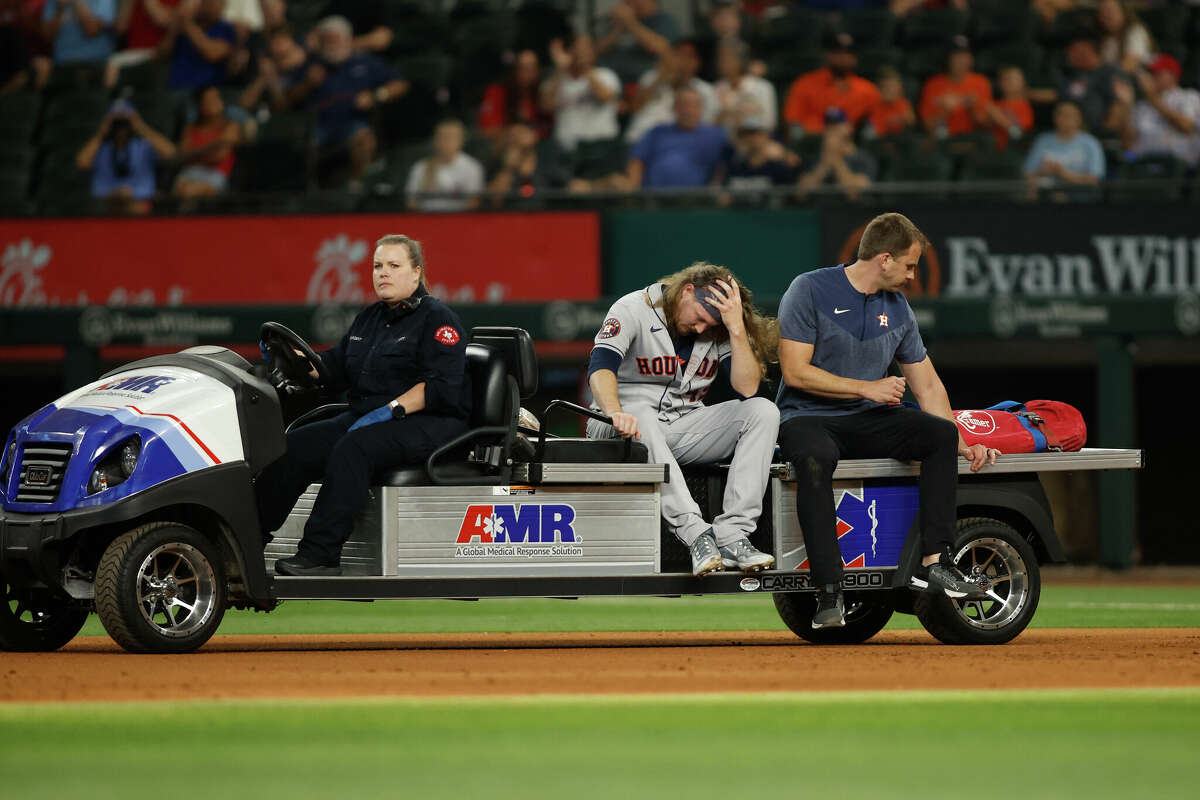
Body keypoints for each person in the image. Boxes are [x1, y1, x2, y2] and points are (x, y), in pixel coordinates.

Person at [775, 212, 996, 629]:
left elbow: (927, 385)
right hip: (808, 417)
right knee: (814, 458)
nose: (913, 276)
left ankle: (935, 562)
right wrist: (866, 388)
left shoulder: (899, 308)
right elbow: (795, 372)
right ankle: (828, 590)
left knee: (939, 435)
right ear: (884, 259)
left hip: (868, 418)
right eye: (910, 266)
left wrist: (961, 442)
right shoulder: (809, 288)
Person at [257, 234, 473, 576]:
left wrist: (389, 410)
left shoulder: (438, 320)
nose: (383, 273)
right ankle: (246, 542)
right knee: (295, 446)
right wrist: (295, 359)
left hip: (428, 420)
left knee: (354, 447)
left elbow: (440, 387)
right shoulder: (370, 317)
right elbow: (335, 367)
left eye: (394, 265)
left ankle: (321, 554)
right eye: (377, 266)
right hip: (369, 415)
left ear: (416, 273)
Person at [586, 262, 779, 576]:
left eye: (710, 323)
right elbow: (600, 368)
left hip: (680, 426)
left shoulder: (717, 330)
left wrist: (735, 328)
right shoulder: (633, 308)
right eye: (700, 317)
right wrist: (614, 411)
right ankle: (696, 534)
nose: (702, 328)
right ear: (687, 291)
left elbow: (747, 387)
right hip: (619, 426)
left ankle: (733, 535)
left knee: (763, 412)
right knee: (641, 416)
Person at [297, 15, 408, 187]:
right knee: (298, 143)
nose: (332, 45)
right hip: (317, 123)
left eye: (337, 39)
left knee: (364, 139)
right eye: (328, 40)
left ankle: (358, 187)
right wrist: (307, 85)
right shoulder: (311, 65)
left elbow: (400, 84)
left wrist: (376, 95)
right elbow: (284, 102)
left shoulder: (365, 62)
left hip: (352, 121)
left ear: (348, 40)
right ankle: (306, 190)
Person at [75, 97, 176, 214]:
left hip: (139, 203)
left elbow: (171, 153)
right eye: (117, 124)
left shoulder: (143, 145)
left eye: (124, 123)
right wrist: (101, 133)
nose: (121, 129)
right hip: (107, 205)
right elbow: (81, 162)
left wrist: (141, 128)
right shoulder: (100, 147)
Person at [782, 32, 880, 141]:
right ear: (828, 55)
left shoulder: (867, 89)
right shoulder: (805, 84)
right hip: (812, 143)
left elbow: (875, 126)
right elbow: (792, 124)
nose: (843, 57)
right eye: (837, 52)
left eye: (848, 53)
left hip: (851, 143)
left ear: (855, 58)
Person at [626, 86, 728, 189]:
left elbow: (726, 162)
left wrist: (718, 186)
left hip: (694, 196)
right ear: (675, 108)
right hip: (653, 194)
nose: (689, 110)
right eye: (684, 105)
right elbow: (637, 159)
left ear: (701, 108)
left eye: (694, 105)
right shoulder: (658, 132)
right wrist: (633, 184)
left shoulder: (715, 135)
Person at [1114, 54, 1200, 170]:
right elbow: (1127, 145)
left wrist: (1152, 97)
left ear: (1173, 75)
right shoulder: (1142, 105)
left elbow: (1186, 126)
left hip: (1180, 170)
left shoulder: (1188, 96)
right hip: (1143, 168)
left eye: (1156, 73)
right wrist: (1126, 106)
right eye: (1150, 73)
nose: (1151, 77)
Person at [624, 38, 716, 144]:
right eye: (678, 55)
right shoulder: (652, 77)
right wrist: (660, 78)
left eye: (688, 56)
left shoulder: (705, 90)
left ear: (697, 62)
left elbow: (707, 126)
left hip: (678, 145)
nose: (682, 61)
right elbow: (635, 108)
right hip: (639, 140)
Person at [542, 33, 622, 152]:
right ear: (569, 52)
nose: (580, 54)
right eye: (577, 49)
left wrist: (585, 67)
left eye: (586, 49)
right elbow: (546, 107)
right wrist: (560, 70)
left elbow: (605, 96)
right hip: (566, 148)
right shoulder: (556, 80)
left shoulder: (605, 75)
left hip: (600, 147)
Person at [1023, 100, 1105, 201]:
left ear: (1079, 118)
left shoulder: (1090, 143)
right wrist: (1042, 172)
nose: (1065, 119)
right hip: (1047, 195)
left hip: (1081, 197)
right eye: (1061, 114)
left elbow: (1094, 179)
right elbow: (1028, 173)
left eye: (1070, 115)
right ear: (1055, 118)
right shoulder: (1043, 141)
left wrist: (1063, 173)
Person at [918, 36, 993, 139]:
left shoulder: (981, 82)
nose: (961, 61)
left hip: (971, 139)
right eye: (956, 56)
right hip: (943, 139)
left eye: (965, 56)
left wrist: (972, 109)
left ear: (971, 59)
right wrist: (945, 112)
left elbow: (986, 125)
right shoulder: (933, 84)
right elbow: (927, 126)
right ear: (947, 59)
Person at [405, 118, 485, 213]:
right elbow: (411, 202)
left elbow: (474, 204)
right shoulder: (421, 167)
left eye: (451, 137)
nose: (446, 141)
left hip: (459, 219)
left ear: (461, 140)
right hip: (426, 218)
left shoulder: (472, 168)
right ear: (435, 140)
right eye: (442, 137)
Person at [796, 107, 876, 201]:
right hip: (818, 208)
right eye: (829, 125)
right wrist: (824, 164)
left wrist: (836, 159)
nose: (832, 129)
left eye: (837, 125)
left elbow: (853, 194)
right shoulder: (816, 157)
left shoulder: (864, 158)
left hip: (851, 209)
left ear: (849, 128)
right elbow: (801, 194)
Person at [173, 85, 239, 198]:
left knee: (188, 191)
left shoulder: (231, 126)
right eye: (208, 100)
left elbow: (219, 156)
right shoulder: (190, 128)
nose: (214, 102)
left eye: (216, 98)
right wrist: (215, 145)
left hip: (216, 175)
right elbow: (183, 155)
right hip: (189, 172)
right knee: (178, 190)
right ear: (200, 105)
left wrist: (194, 153)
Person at [478, 49, 553, 147]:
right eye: (523, 68)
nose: (528, 72)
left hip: (540, 147)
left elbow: (550, 126)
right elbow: (487, 130)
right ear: (514, 70)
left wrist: (535, 135)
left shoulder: (543, 92)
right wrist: (512, 132)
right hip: (504, 147)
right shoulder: (497, 92)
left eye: (533, 67)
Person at [595, 0, 680, 85]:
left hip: (645, 78)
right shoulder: (616, 22)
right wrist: (617, 29)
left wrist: (631, 24)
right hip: (611, 77)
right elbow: (596, 52)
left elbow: (661, 48)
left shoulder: (664, 21)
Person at [156, 0, 235, 90]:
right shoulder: (184, 24)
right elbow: (161, 55)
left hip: (205, 89)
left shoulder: (226, 28)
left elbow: (212, 53)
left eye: (216, 2)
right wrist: (174, 29)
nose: (209, 5)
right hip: (176, 88)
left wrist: (186, 23)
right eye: (207, 2)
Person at [713, 39, 776, 136]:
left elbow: (769, 124)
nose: (722, 63)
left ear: (741, 60)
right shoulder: (716, 88)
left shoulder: (763, 87)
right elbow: (710, 124)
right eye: (720, 59)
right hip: (721, 140)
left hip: (754, 139)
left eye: (727, 59)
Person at [41, 0, 117, 66]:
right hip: (62, 61)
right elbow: (48, 37)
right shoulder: (53, 2)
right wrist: (60, 9)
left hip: (96, 60)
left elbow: (92, 30)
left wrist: (76, 2)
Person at [983, 65, 1034, 151]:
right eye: (1005, 79)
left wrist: (999, 117)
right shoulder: (994, 104)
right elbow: (983, 126)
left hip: (1012, 151)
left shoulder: (1024, 106)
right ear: (999, 83)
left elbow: (1018, 134)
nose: (1009, 82)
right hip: (989, 148)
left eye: (1013, 79)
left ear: (1023, 83)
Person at [1096, 0, 1154, 74]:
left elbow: (1131, 63)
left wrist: (1105, 75)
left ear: (1123, 12)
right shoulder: (1105, 39)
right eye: (1103, 13)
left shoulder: (1135, 31)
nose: (1108, 16)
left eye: (1111, 11)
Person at [864, 66, 914, 139]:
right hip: (879, 140)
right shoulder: (874, 104)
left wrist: (902, 119)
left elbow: (911, 122)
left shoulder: (902, 102)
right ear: (879, 89)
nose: (890, 90)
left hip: (899, 138)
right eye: (887, 87)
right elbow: (873, 132)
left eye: (894, 87)